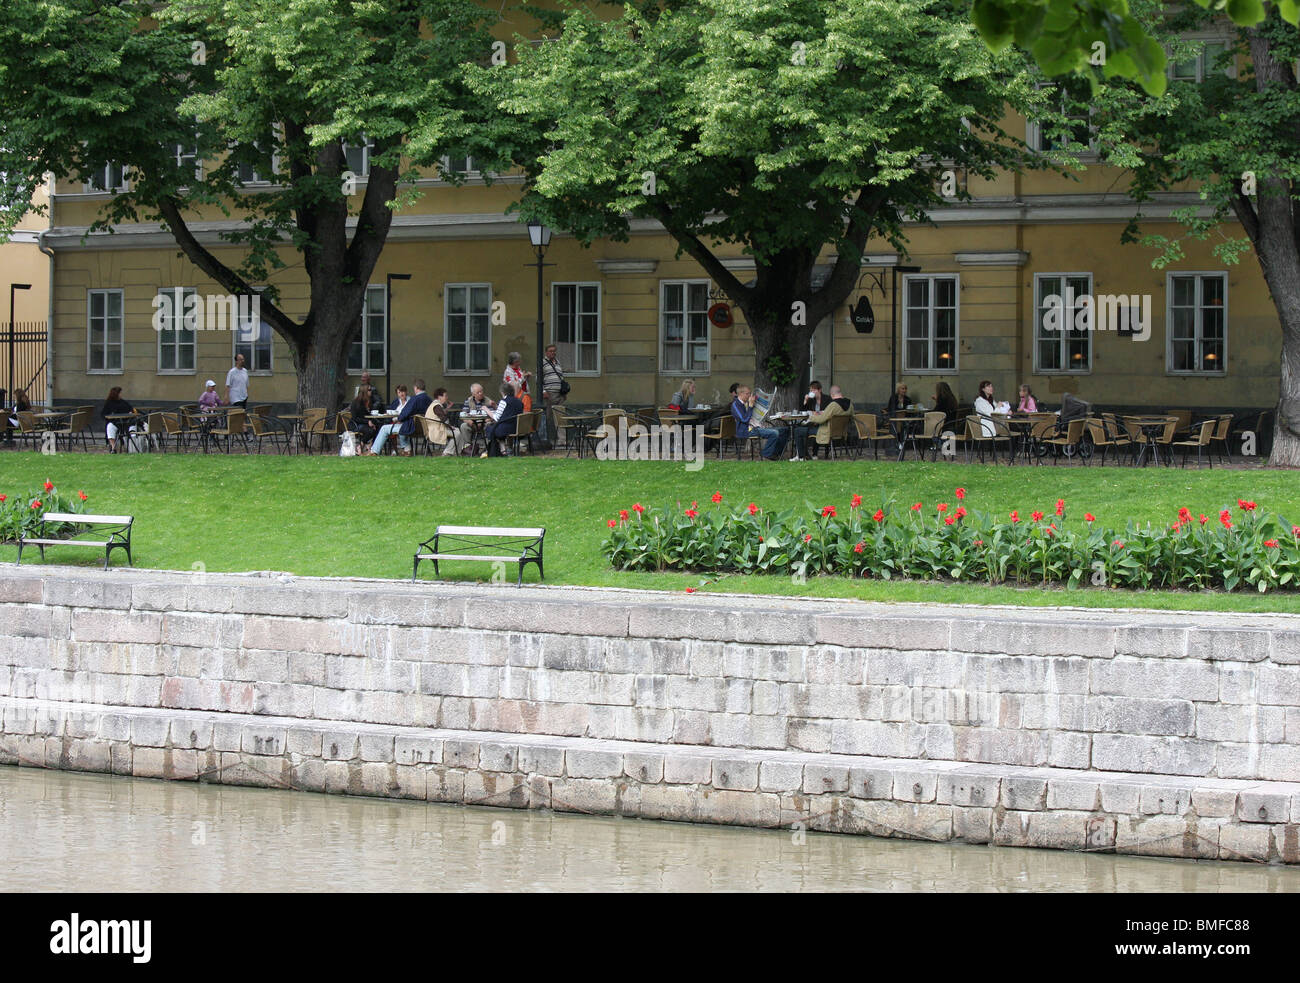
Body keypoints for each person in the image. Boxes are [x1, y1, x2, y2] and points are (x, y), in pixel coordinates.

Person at [371, 380, 430, 456]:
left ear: (416, 388)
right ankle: (407, 450)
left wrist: (399, 419)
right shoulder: (429, 399)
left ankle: (374, 451)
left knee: (384, 428)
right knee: (400, 428)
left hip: (411, 427)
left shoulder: (414, 399)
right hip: (424, 428)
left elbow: (405, 413)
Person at [794, 385, 852, 460]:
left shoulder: (833, 405)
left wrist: (810, 417)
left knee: (798, 430)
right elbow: (852, 417)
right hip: (841, 432)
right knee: (808, 429)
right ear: (840, 393)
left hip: (826, 431)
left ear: (832, 394)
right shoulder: (850, 404)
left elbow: (821, 419)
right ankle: (807, 455)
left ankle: (801, 456)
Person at [732, 384, 788, 460]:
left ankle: (774, 454)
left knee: (784, 430)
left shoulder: (747, 402)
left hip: (755, 427)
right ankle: (765, 455)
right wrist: (751, 406)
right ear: (741, 394)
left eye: (750, 393)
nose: (749, 395)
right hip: (746, 430)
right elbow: (744, 420)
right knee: (774, 433)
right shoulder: (736, 405)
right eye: (747, 393)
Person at [446, 383, 494, 456]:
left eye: (481, 391)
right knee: (464, 426)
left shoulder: (488, 401)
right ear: (473, 394)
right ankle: (468, 447)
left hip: (484, 423)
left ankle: (485, 449)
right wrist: (470, 422)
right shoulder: (468, 401)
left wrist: (483, 422)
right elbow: (464, 415)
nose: (481, 393)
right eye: (478, 392)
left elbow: (491, 416)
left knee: (489, 426)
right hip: (472, 424)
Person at [484, 382, 524, 457]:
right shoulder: (519, 401)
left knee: (489, 428)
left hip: (505, 428)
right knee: (496, 428)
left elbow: (496, 417)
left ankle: (491, 450)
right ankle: (503, 450)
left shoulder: (504, 401)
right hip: (517, 428)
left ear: (502, 392)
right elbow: (508, 412)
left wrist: (486, 410)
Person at [540, 344, 565, 449]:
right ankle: (544, 439)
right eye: (550, 351)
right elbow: (539, 378)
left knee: (561, 417)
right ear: (546, 352)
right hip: (549, 393)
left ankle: (562, 440)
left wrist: (564, 392)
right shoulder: (543, 363)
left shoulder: (558, 363)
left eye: (554, 351)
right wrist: (543, 391)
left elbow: (561, 377)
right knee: (547, 416)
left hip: (560, 393)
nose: (553, 353)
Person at [101, 386, 137, 453]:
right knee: (110, 427)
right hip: (116, 422)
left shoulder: (123, 402)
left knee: (133, 428)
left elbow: (131, 408)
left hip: (127, 422)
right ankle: (113, 447)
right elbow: (103, 414)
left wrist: (130, 412)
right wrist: (110, 417)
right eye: (120, 393)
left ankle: (132, 448)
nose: (121, 395)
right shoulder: (109, 403)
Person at [348, 387, 378, 451]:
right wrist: (367, 422)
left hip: (362, 423)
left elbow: (367, 414)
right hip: (355, 425)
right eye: (369, 390)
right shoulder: (355, 403)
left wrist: (373, 422)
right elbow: (355, 418)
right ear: (365, 392)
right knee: (370, 430)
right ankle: (361, 445)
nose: (371, 391)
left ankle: (369, 445)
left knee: (378, 427)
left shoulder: (365, 402)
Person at [424, 387, 453, 452]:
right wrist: (450, 427)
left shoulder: (435, 405)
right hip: (436, 431)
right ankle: (448, 452)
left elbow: (441, 415)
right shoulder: (437, 406)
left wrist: (447, 408)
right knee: (457, 433)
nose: (447, 397)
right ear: (439, 397)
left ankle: (451, 451)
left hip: (433, 429)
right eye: (445, 396)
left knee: (457, 432)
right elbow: (444, 419)